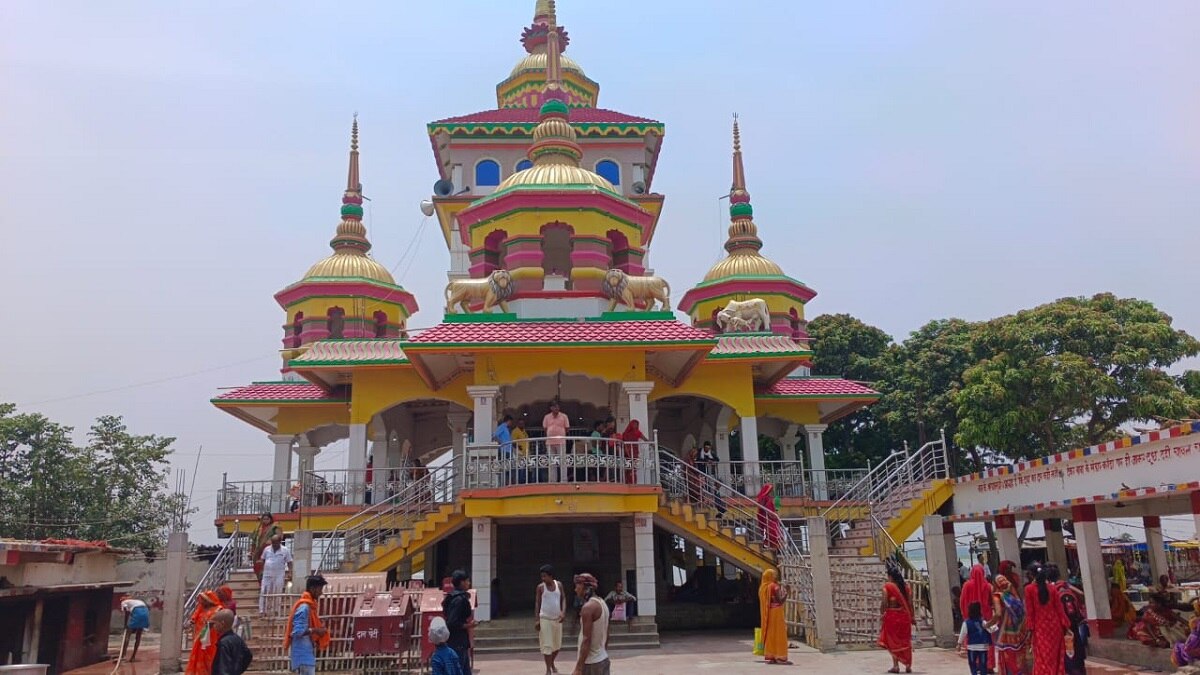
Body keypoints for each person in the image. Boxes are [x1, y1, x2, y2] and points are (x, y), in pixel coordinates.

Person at [1024, 565, 1069, 675]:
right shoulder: (1052, 588)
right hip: (1055, 628)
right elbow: (1059, 609)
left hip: (1040, 628)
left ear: (1031, 575)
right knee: (1055, 656)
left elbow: (1030, 612)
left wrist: (1029, 631)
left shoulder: (1029, 589)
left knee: (1043, 657)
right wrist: (1066, 626)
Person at [285, 574, 330, 675]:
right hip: (302, 657)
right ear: (313, 589)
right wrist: (316, 630)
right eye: (320, 589)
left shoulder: (309, 607)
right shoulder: (304, 607)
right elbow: (297, 632)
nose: (321, 593)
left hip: (306, 656)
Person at [1048, 564, 1087, 675]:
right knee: (1078, 654)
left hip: (1063, 628)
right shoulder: (1065, 585)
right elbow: (1081, 594)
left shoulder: (1052, 590)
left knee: (1068, 657)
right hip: (1075, 624)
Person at [988, 573, 1028, 675]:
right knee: (1018, 654)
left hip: (1005, 632)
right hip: (1018, 631)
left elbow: (998, 613)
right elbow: (1021, 605)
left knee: (1007, 655)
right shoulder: (1011, 595)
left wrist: (988, 624)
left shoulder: (997, 596)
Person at [878, 562, 914, 674]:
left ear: (890, 576)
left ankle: (896, 666)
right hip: (904, 617)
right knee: (905, 641)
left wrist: (882, 612)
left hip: (892, 617)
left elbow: (884, 602)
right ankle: (908, 665)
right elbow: (910, 603)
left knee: (892, 642)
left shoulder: (887, 587)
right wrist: (912, 616)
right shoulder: (906, 587)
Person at [572, 573, 611, 675]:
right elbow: (607, 633)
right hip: (602, 658)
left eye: (577, 585)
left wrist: (578, 668)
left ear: (584, 586)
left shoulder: (588, 608)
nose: (575, 589)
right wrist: (602, 652)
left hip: (591, 664)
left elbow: (586, 639)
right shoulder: (602, 603)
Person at [961, 564, 995, 673]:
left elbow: (962, 602)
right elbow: (991, 601)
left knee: (972, 640)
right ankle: (988, 665)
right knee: (987, 640)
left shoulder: (967, 585)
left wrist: (965, 615)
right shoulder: (988, 586)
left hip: (971, 618)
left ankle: (975, 665)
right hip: (985, 617)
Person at [535, 564, 566, 675]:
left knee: (557, 646)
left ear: (551, 576)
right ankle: (548, 669)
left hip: (557, 619)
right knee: (547, 646)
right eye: (542, 576)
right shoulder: (540, 587)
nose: (543, 579)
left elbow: (563, 598)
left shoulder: (559, 585)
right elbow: (537, 603)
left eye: (545, 576)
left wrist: (563, 612)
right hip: (545, 619)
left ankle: (551, 662)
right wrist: (537, 619)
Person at [442, 570, 475, 674]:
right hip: (457, 642)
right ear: (462, 582)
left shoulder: (452, 597)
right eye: (467, 581)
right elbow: (452, 623)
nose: (469, 583)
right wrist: (469, 625)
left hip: (459, 642)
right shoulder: (459, 600)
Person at [757, 568, 792, 665]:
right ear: (771, 577)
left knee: (770, 635)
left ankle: (771, 656)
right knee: (779, 634)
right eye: (774, 575)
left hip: (768, 614)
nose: (776, 577)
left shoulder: (762, 587)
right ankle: (780, 657)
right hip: (776, 613)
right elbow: (780, 601)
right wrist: (787, 592)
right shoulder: (774, 586)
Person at [185, 590, 224, 675]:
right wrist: (191, 622)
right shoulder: (201, 608)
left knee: (209, 658)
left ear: (208, 600)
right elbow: (194, 618)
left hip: (211, 640)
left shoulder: (218, 609)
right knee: (199, 657)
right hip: (199, 638)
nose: (201, 602)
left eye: (203, 600)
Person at [211, 608, 253, 675]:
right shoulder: (237, 639)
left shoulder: (223, 643)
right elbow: (248, 656)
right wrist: (238, 670)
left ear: (222, 624)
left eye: (215, 623)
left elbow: (223, 667)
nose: (214, 626)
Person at [260, 534, 293, 616]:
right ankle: (262, 611)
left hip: (279, 574)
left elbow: (289, 562)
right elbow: (262, 560)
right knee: (263, 591)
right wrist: (261, 569)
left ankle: (276, 610)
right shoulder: (267, 549)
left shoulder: (285, 550)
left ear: (279, 542)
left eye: (276, 543)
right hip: (267, 574)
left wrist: (290, 572)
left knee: (277, 592)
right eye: (273, 543)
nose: (274, 545)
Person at [958, 601, 993, 675]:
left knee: (972, 664)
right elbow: (991, 629)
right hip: (983, 647)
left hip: (972, 647)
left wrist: (959, 644)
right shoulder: (983, 622)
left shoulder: (966, 623)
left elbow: (962, 634)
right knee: (983, 664)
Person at [118, 595, 150, 662]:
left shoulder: (124, 602)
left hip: (137, 612)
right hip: (145, 612)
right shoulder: (136, 601)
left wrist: (125, 625)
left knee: (127, 635)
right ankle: (133, 657)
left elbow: (127, 613)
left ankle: (123, 656)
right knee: (138, 636)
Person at [543, 402, 570, 482]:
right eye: (554, 407)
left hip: (561, 442)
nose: (556, 408)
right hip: (550, 442)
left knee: (563, 461)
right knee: (552, 462)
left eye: (558, 407)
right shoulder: (547, 417)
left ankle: (564, 480)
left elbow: (567, 428)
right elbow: (545, 428)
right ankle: (552, 480)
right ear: (551, 408)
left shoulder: (564, 416)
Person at [250, 513, 281, 581]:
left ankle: (267, 580)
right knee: (257, 566)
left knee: (267, 566)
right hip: (258, 550)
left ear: (271, 519)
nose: (265, 520)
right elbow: (254, 539)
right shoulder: (259, 528)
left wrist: (272, 541)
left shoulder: (274, 527)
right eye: (264, 519)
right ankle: (260, 581)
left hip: (270, 550)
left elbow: (280, 536)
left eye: (267, 519)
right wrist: (252, 550)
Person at [755, 484, 782, 551]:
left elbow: (773, 508)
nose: (771, 491)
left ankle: (774, 545)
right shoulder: (764, 497)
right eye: (770, 490)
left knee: (774, 531)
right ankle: (772, 545)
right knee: (772, 530)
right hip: (768, 518)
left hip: (771, 517)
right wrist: (771, 514)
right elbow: (762, 507)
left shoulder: (769, 498)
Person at [619, 420, 647, 485]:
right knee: (627, 468)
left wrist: (653, 444)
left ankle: (633, 483)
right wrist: (627, 452)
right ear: (631, 425)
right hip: (627, 453)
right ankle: (627, 483)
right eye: (634, 424)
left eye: (637, 424)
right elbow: (624, 443)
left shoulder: (637, 432)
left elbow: (645, 439)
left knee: (633, 468)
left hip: (635, 452)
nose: (635, 426)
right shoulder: (625, 433)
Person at [495, 414, 515, 484]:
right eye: (511, 422)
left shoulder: (506, 428)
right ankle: (504, 482)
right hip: (504, 450)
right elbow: (495, 435)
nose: (511, 423)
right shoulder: (502, 427)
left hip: (508, 450)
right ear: (508, 421)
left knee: (508, 466)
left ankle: (508, 482)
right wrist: (502, 443)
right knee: (505, 466)